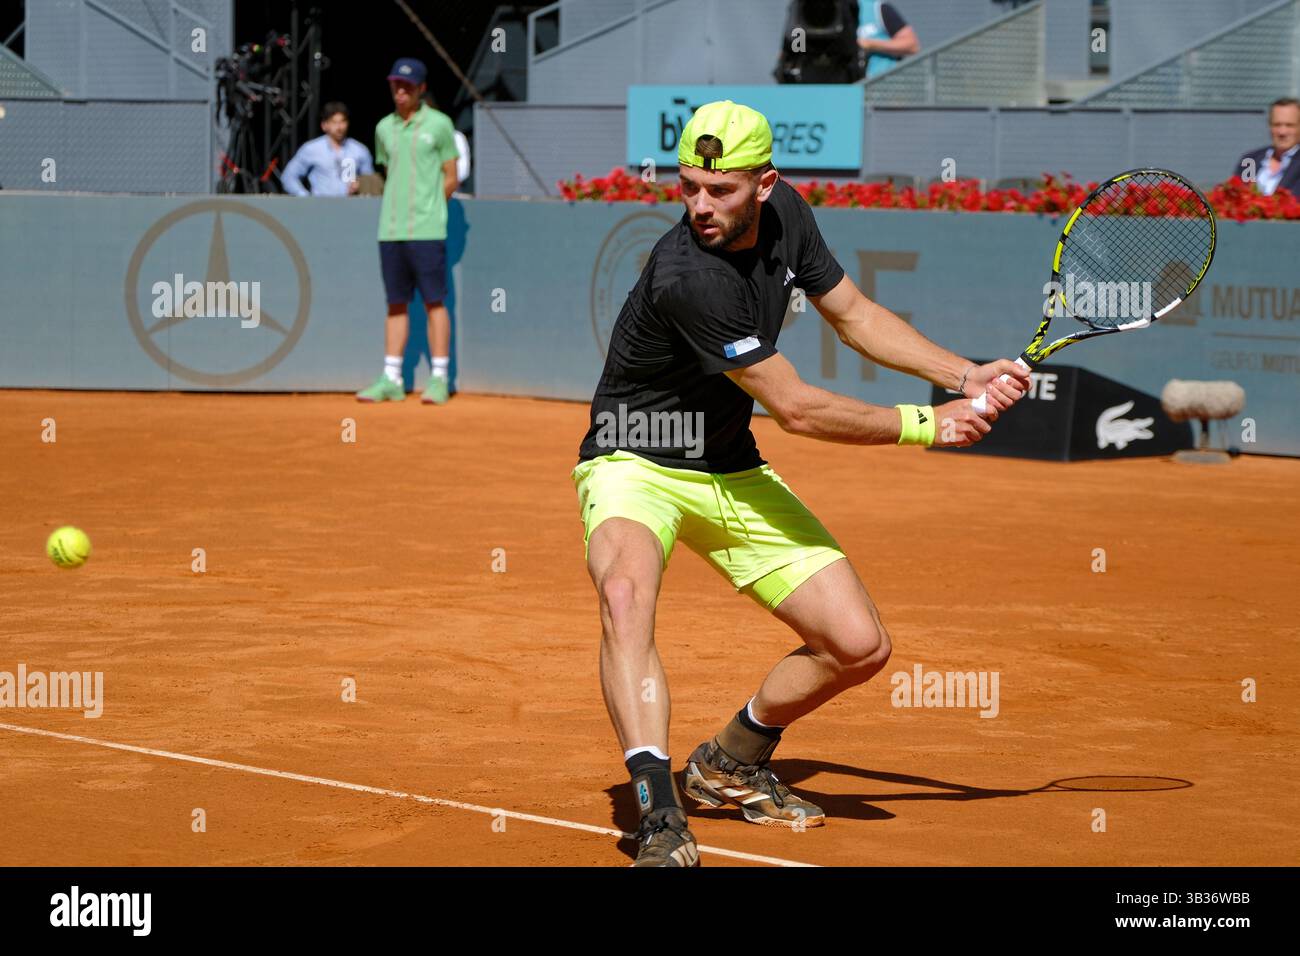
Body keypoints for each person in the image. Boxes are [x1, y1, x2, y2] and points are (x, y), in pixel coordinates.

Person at [571, 100, 1029, 867]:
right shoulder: (690, 274)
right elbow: (797, 408)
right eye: (686, 188)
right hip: (634, 455)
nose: (699, 207)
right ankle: (657, 812)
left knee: (859, 646)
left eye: (718, 191)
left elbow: (853, 315)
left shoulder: (788, 215)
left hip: (726, 463)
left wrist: (964, 372)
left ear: (766, 183)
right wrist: (929, 425)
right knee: (624, 596)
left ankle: (729, 761)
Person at [356, 58, 460, 405]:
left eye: (407, 86)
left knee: (435, 302)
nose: (400, 92)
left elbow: (451, 176)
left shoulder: (441, 125)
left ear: (421, 89)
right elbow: (389, 171)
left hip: (428, 230)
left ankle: (440, 379)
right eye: (395, 86)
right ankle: (391, 378)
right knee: (395, 304)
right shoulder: (383, 128)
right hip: (390, 229)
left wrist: (432, 206)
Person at [280, 102, 374, 197]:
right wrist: (305, 197)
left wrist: (360, 184)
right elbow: (288, 177)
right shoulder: (311, 149)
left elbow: (370, 182)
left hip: (351, 206)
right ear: (324, 125)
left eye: (343, 121)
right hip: (320, 206)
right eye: (334, 122)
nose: (339, 127)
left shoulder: (359, 150)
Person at [1234, 97, 1300, 197]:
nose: (1282, 132)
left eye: (1289, 125)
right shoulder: (1250, 160)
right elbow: (1237, 196)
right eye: (1277, 125)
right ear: (1269, 125)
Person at [858, 1, 920, 79]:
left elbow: (912, 45)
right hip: (847, 86)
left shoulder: (877, 8)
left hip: (883, 82)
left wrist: (870, 44)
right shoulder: (838, 12)